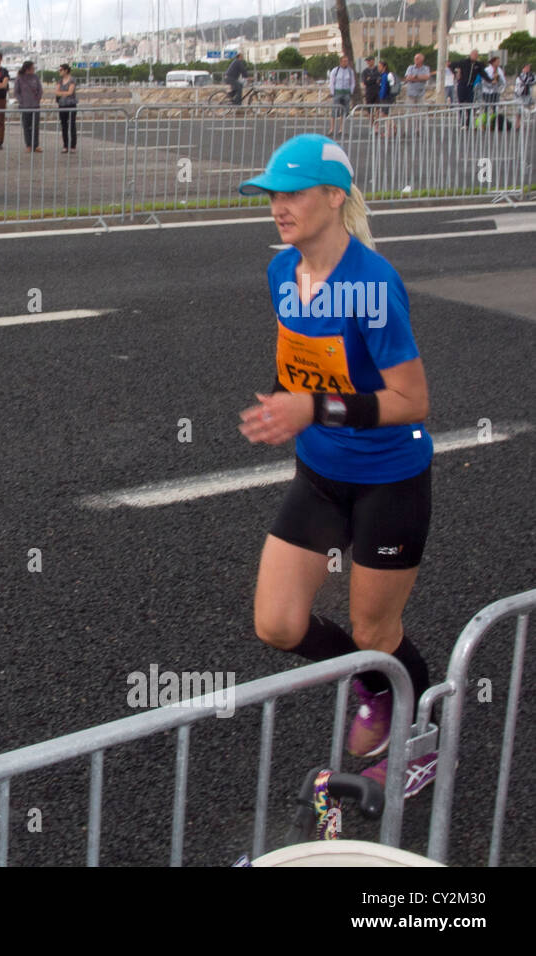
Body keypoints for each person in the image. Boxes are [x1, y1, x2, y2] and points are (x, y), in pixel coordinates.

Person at [237, 135, 437, 800]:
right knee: (278, 623)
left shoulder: (374, 285)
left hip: (388, 479)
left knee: (374, 630)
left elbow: (413, 401)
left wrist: (310, 409)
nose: (279, 207)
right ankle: (382, 685)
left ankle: (421, 723)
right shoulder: (281, 274)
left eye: (293, 192)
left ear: (335, 197)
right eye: (272, 195)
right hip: (319, 474)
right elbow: (301, 361)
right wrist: (282, 403)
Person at [13, 60, 43, 152]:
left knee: (35, 126)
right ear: (28, 68)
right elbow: (16, 92)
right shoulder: (19, 78)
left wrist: (37, 99)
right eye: (32, 68)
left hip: (35, 106)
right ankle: (28, 145)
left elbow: (40, 90)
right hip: (24, 106)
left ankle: (36, 145)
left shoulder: (35, 77)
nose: (34, 69)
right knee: (26, 126)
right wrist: (21, 101)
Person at [451, 50, 486, 125]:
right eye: (474, 55)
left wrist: (490, 80)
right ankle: (462, 122)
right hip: (462, 85)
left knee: (470, 104)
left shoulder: (477, 65)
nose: (475, 56)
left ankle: (469, 122)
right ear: (471, 55)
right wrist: (456, 74)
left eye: (476, 55)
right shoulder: (464, 62)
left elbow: (483, 73)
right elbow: (452, 65)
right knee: (461, 104)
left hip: (471, 86)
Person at [328, 54, 355, 136]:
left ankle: (341, 129)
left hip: (346, 93)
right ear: (340, 62)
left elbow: (352, 82)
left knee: (344, 111)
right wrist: (333, 92)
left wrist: (351, 91)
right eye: (344, 61)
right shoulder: (335, 71)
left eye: (346, 61)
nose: (345, 63)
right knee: (334, 111)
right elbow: (332, 82)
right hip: (337, 92)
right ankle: (332, 129)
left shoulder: (350, 71)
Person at [55, 63, 78, 153]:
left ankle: (73, 146)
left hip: (71, 105)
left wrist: (62, 92)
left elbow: (70, 92)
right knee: (64, 125)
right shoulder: (60, 81)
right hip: (62, 105)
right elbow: (57, 92)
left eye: (61, 70)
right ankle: (65, 145)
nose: (59, 72)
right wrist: (64, 93)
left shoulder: (72, 80)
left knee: (72, 125)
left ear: (66, 70)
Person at [361, 57, 380, 127]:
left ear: (373, 61)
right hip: (369, 92)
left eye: (369, 61)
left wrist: (370, 79)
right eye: (367, 61)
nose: (368, 62)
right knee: (369, 109)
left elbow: (378, 79)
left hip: (377, 91)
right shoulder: (365, 71)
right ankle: (372, 124)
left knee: (378, 108)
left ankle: (377, 125)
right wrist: (373, 80)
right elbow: (364, 82)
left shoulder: (378, 70)